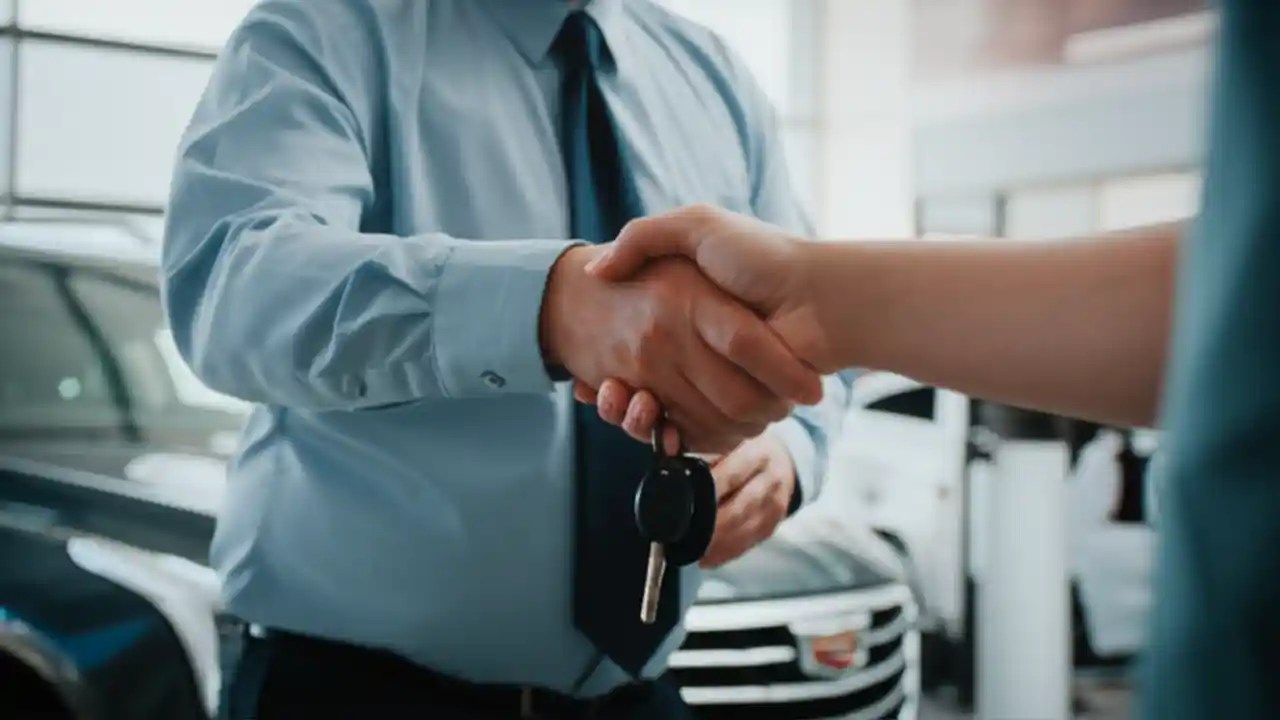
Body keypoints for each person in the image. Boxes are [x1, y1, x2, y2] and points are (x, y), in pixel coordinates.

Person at [581, 3, 1280, 713]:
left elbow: (1243, 306)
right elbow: (1239, 304)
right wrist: (822, 300)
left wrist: (792, 433)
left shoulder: (713, 81)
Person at [161, 0, 847, 717]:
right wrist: (547, 306)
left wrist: (791, 453)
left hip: (637, 697)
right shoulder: (327, 27)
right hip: (350, 693)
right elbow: (233, 290)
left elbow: (814, 328)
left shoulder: (717, 79)